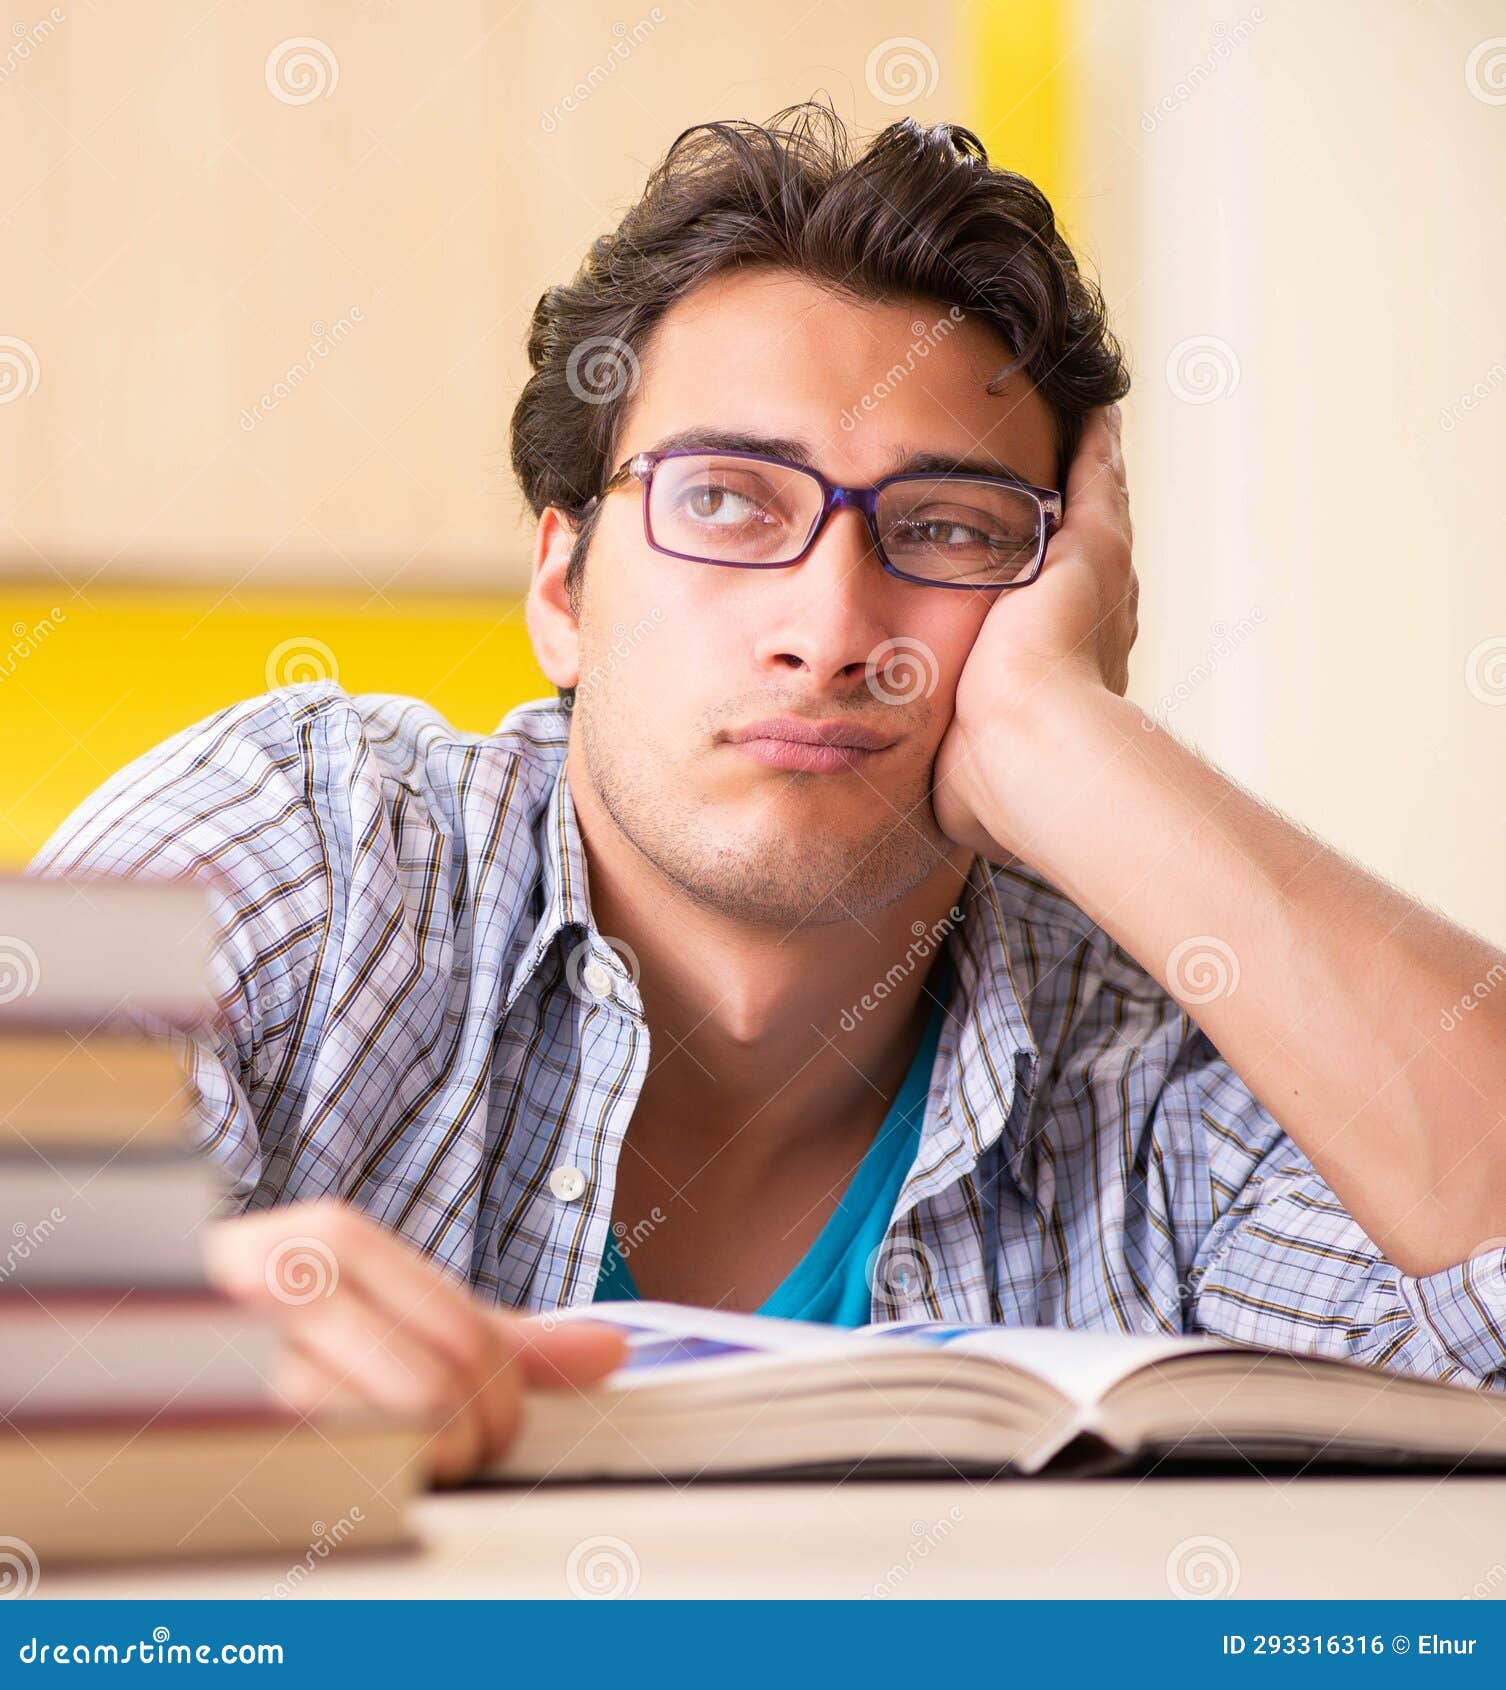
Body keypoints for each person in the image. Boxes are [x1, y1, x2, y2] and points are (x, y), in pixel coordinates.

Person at [30, 103, 1506, 1482]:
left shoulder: (1163, 1045)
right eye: (729, 498)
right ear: (563, 585)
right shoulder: (312, 844)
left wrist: (1071, 743)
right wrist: (110, 1344)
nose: (829, 625)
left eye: (946, 528)